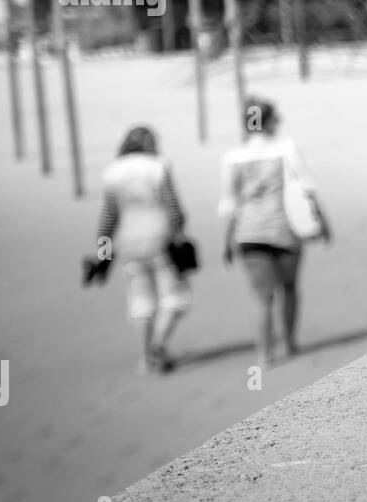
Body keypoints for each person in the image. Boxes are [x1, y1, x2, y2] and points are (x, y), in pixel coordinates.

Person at [219, 97, 330, 365]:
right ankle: (289, 343)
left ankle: (264, 354)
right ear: (268, 121)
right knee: (288, 288)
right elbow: (307, 188)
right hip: (285, 230)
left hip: (248, 233)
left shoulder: (233, 156)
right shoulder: (286, 148)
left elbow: (229, 203)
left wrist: (227, 240)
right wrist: (324, 223)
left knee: (261, 297)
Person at [92, 125, 192, 374]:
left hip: (127, 243)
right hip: (160, 238)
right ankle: (158, 345)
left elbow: (108, 217)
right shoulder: (158, 166)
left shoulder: (112, 173)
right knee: (175, 297)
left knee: (141, 300)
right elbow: (173, 208)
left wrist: (103, 254)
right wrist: (180, 232)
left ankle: (146, 357)